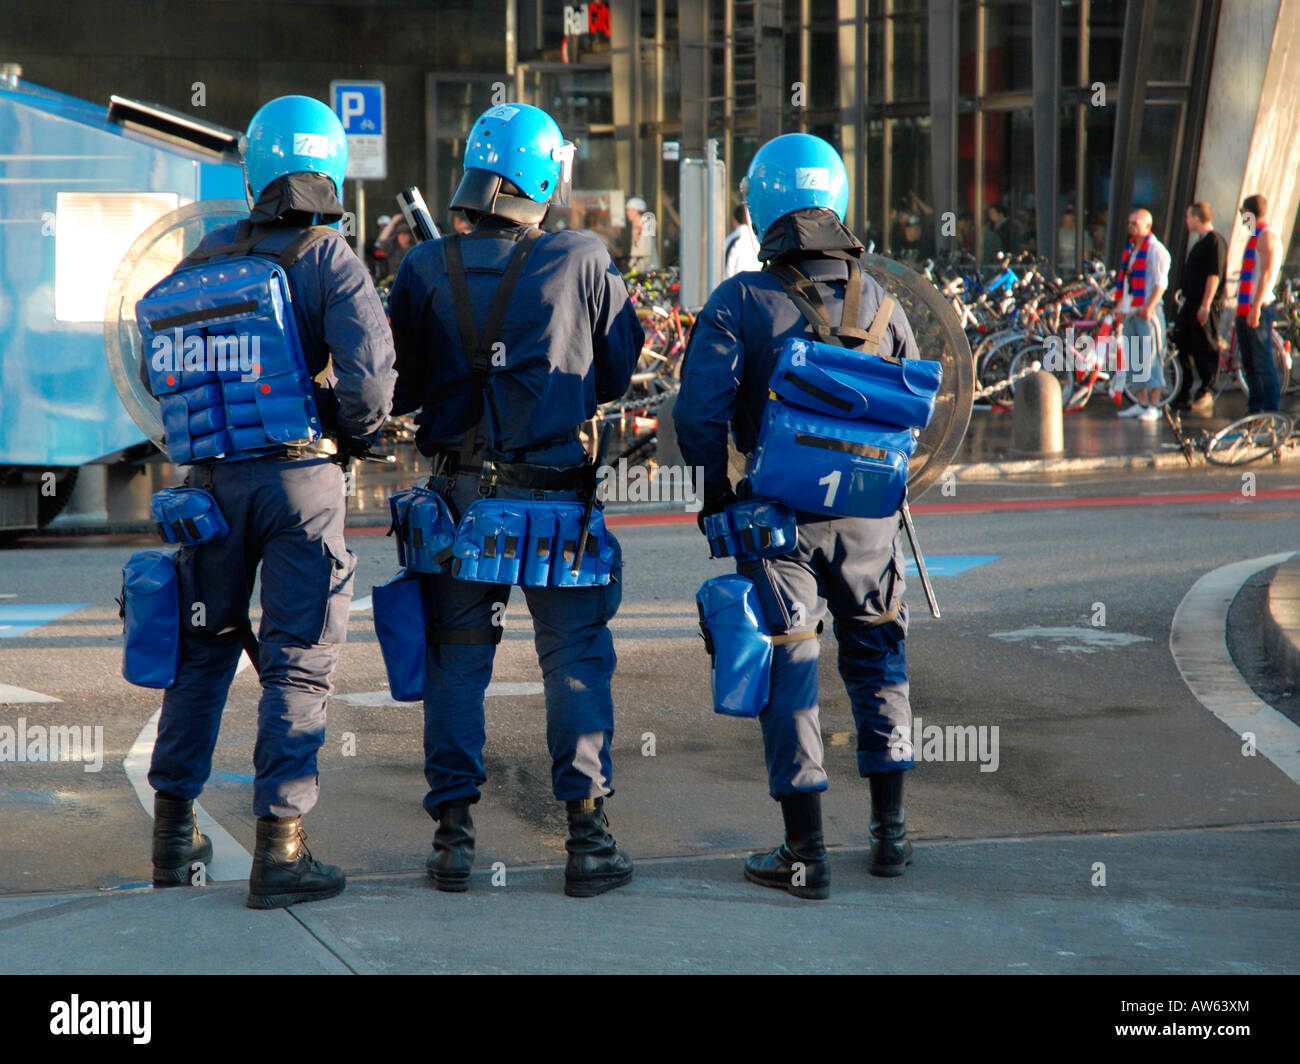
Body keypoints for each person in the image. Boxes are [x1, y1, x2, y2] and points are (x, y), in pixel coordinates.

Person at [143, 96, 396, 908]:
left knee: (203, 651)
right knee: (297, 661)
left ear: (253, 169)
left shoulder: (205, 256)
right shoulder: (330, 257)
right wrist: (348, 432)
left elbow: (160, 369)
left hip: (211, 486)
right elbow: (369, 388)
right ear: (330, 164)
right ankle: (280, 852)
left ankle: (171, 836)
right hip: (300, 485)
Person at [387, 103, 644, 897]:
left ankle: (452, 841)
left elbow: (400, 384)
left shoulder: (425, 267)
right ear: (543, 178)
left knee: (458, 666)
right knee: (573, 664)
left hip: (460, 503)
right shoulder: (582, 257)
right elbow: (616, 371)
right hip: (556, 504)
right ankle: (587, 840)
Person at [674, 133, 921, 900]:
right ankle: (891, 838)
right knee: (879, 658)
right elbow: (917, 411)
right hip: (871, 522)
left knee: (791, 662)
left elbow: (697, 415)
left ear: (761, 203)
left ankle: (804, 854)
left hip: (777, 521)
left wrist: (717, 497)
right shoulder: (883, 300)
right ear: (837, 199)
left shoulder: (740, 300)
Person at [1114, 208, 1171, 421]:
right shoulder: (1130, 250)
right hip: (1130, 311)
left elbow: (1160, 283)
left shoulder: (1156, 250)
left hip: (1148, 311)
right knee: (1134, 357)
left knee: (1152, 356)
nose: (1130, 226)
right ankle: (1141, 401)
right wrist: (1120, 306)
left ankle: (1154, 406)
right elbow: (1125, 282)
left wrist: (1149, 307)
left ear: (1148, 225)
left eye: (1135, 223)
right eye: (1129, 222)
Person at [1171, 202, 1227, 414]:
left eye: (1188, 217)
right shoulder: (1201, 241)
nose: (1186, 221)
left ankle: (1207, 389)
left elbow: (1214, 275)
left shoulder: (1213, 241)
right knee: (1182, 342)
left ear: (1196, 217)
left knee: (1205, 344)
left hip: (1204, 303)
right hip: (1191, 302)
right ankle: (1183, 392)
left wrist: (1205, 304)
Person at [1235, 193, 1283, 413]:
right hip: (1245, 307)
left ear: (1249, 213)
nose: (1242, 218)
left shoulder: (1266, 236)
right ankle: (1255, 410)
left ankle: (1270, 411)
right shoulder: (1255, 236)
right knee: (1250, 363)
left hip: (1259, 307)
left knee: (1262, 363)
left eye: (1243, 214)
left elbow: (1265, 274)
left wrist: (1255, 307)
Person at [723, 202, 761, 278]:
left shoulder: (733, 239)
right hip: (754, 285)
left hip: (735, 285)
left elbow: (728, 268)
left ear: (734, 219)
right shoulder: (757, 241)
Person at [624, 194, 658, 273]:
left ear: (636, 210)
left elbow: (645, 254)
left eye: (629, 210)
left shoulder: (646, 226)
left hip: (647, 273)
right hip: (639, 272)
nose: (627, 213)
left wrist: (634, 271)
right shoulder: (636, 225)